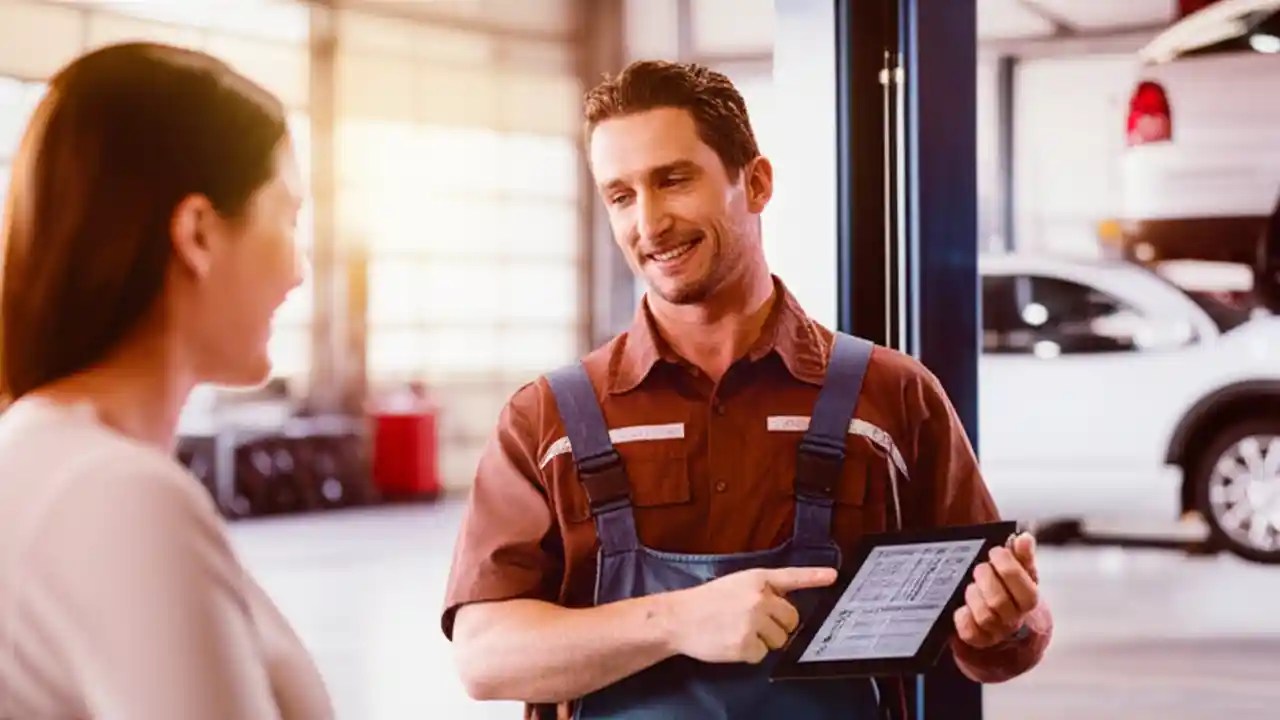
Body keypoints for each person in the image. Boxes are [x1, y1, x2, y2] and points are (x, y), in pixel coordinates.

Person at [443, 60, 1053, 719]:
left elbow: (998, 629)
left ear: (755, 183)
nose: (648, 223)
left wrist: (1008, 620)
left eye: (673, 180)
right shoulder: (549, 420)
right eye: (620, 196)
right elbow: (485, 657)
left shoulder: (893, 400)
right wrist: (677, 620)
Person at [0, 43, 332, 720]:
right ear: (198, 234)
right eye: (288, 218)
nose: (299, 270)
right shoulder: (116, 494)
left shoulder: (44, 453)